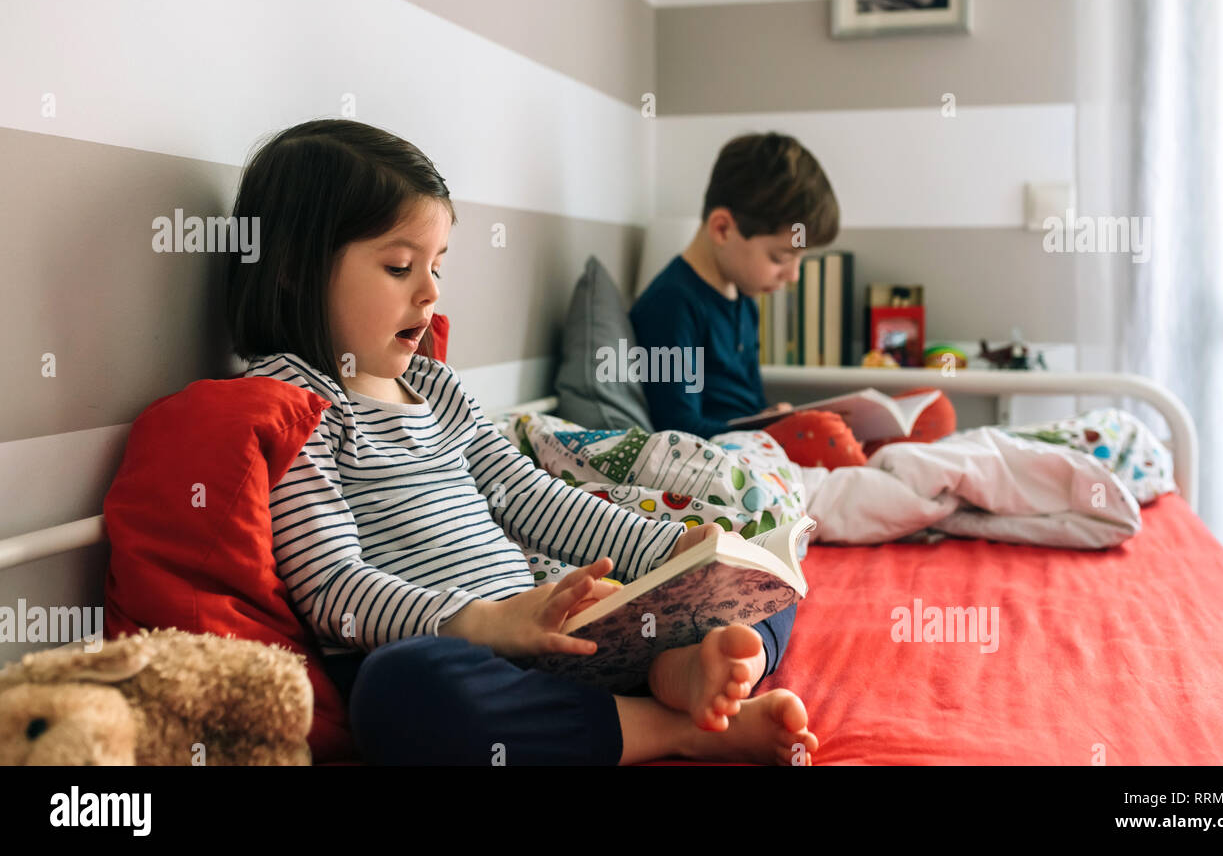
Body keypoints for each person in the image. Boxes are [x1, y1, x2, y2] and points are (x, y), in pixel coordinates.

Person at [222, 119, 818, 766]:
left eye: (437, 267)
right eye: (399, 266)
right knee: (400, 693)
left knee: (767, 582)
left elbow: (535, 499)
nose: (431, 292)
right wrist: (489, 623)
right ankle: (676, 723)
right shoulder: (292, 405)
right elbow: (333, 588)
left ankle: (697, 666)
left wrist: (672, 551)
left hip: (555, 638)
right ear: (291, 269)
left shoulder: (435, 387)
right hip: (460, 655)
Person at [629, 132, 840, 440]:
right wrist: (770, 431)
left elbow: (747, 403)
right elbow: (677, 429)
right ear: (723, 229)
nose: (793, 276)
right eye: (781, 257)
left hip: (753, 452)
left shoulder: (744, 301)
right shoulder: (672, 305)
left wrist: (771, 418)